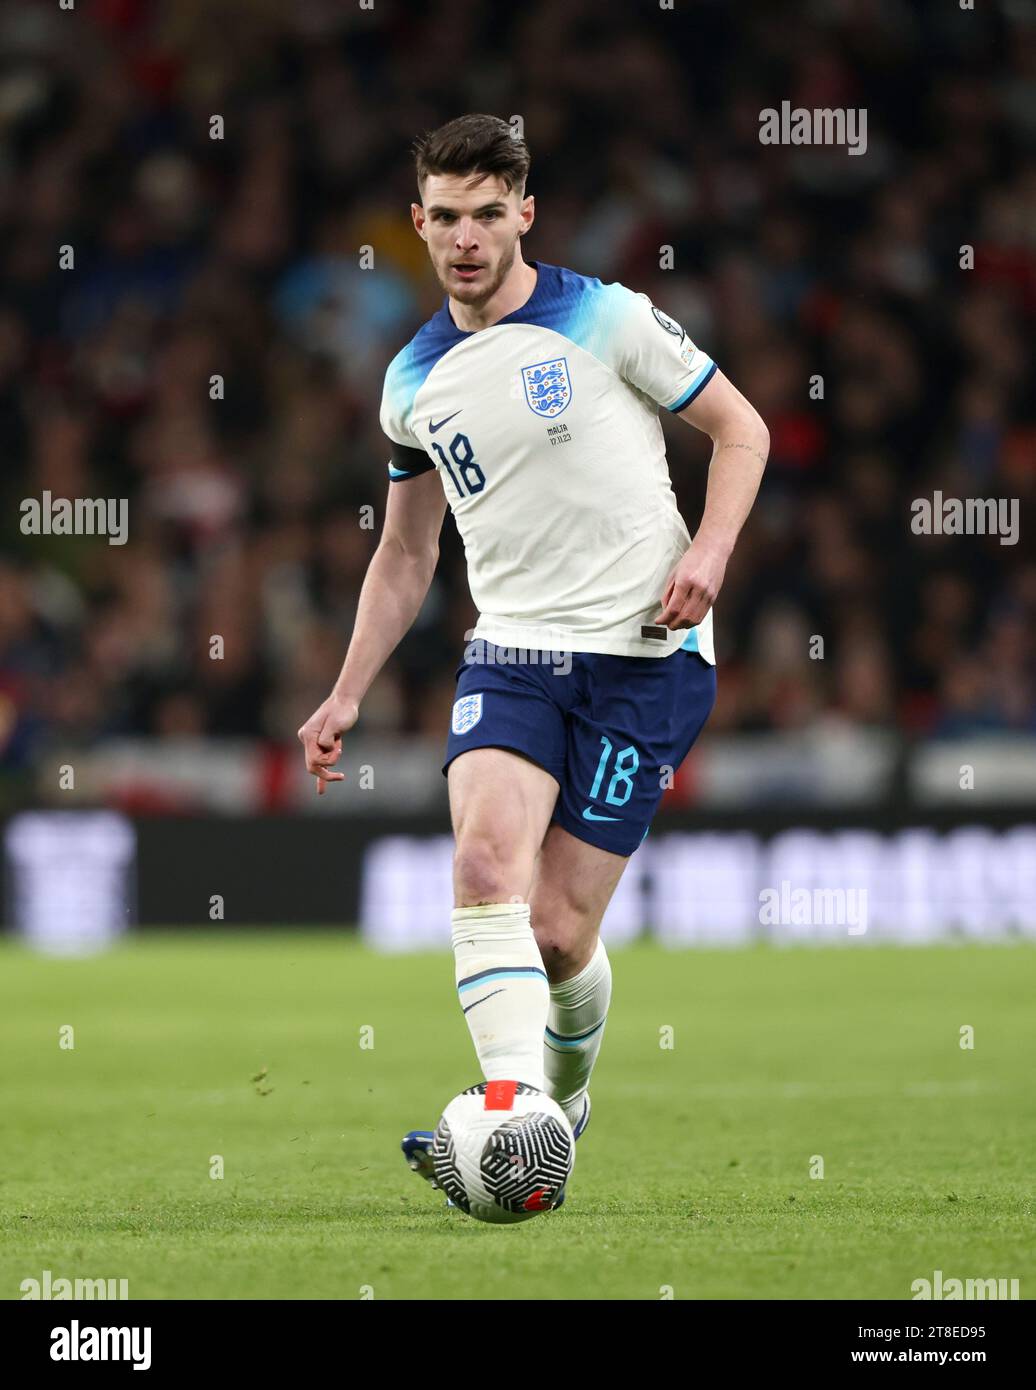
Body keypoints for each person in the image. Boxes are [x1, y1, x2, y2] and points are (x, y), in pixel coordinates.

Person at [297, 113, 769, 1207]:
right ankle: (513, 1118)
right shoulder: (410, 382)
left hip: (644, 658)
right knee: (480, 871)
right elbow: (406, 551)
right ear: (417, 224)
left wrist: (709, 549)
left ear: (525, 214)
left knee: (557, 937)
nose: (467, 238)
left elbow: (743, 431)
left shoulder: (606, 317)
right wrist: (345, 689)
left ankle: (562, 1091)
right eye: (446, 218)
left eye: (487, 214)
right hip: (509, 655)